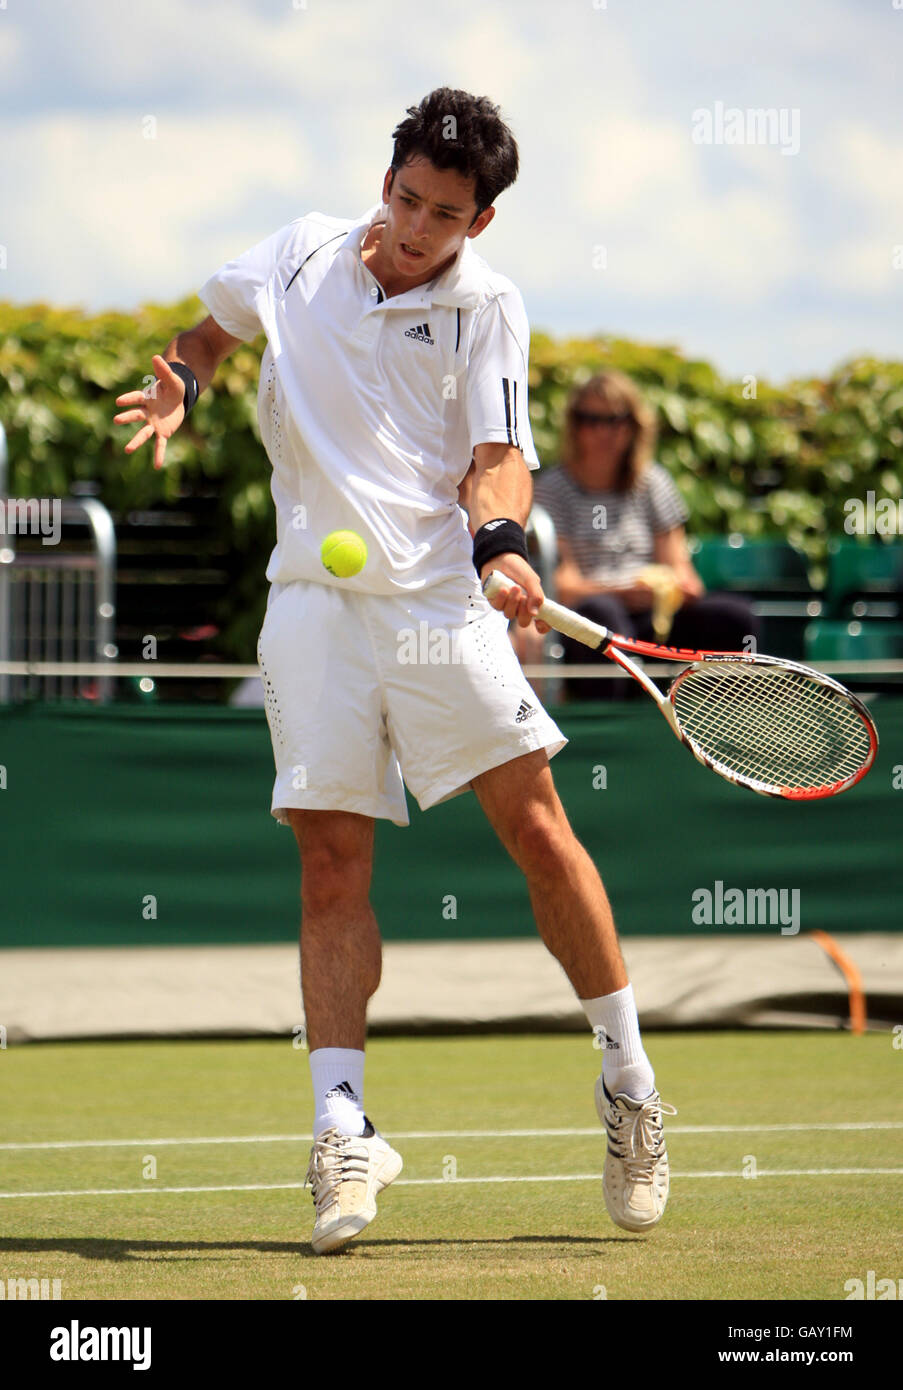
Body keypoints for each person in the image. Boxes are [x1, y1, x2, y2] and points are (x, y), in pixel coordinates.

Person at [114, 89, 674, 1255]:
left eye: (445, 215)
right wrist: (188, 378)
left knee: (535, 827)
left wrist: (504, 544)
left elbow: (498, 455)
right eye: (407, 198)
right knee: (329, 857)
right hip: (312, 603)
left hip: (438, 605)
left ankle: (628, 1080)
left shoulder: (489, 307)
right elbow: (214, 328)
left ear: (481, 223)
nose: (415, 228)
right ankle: (341, 1126)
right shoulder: (301, 252)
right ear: (388, 179)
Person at [534, 371, 759, 698]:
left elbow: (685, 576)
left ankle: (721, 728)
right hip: (591, 623)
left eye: (615, 420)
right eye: (590, 420)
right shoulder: (551, 490)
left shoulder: (653, 483)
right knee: (602, 614)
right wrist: (622, 592)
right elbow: (563, 590)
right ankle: (607, 733)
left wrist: (670, 589)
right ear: (574, 426)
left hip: (656, 619)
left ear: (633, 426)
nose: (603, 432)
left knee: (732, 618)